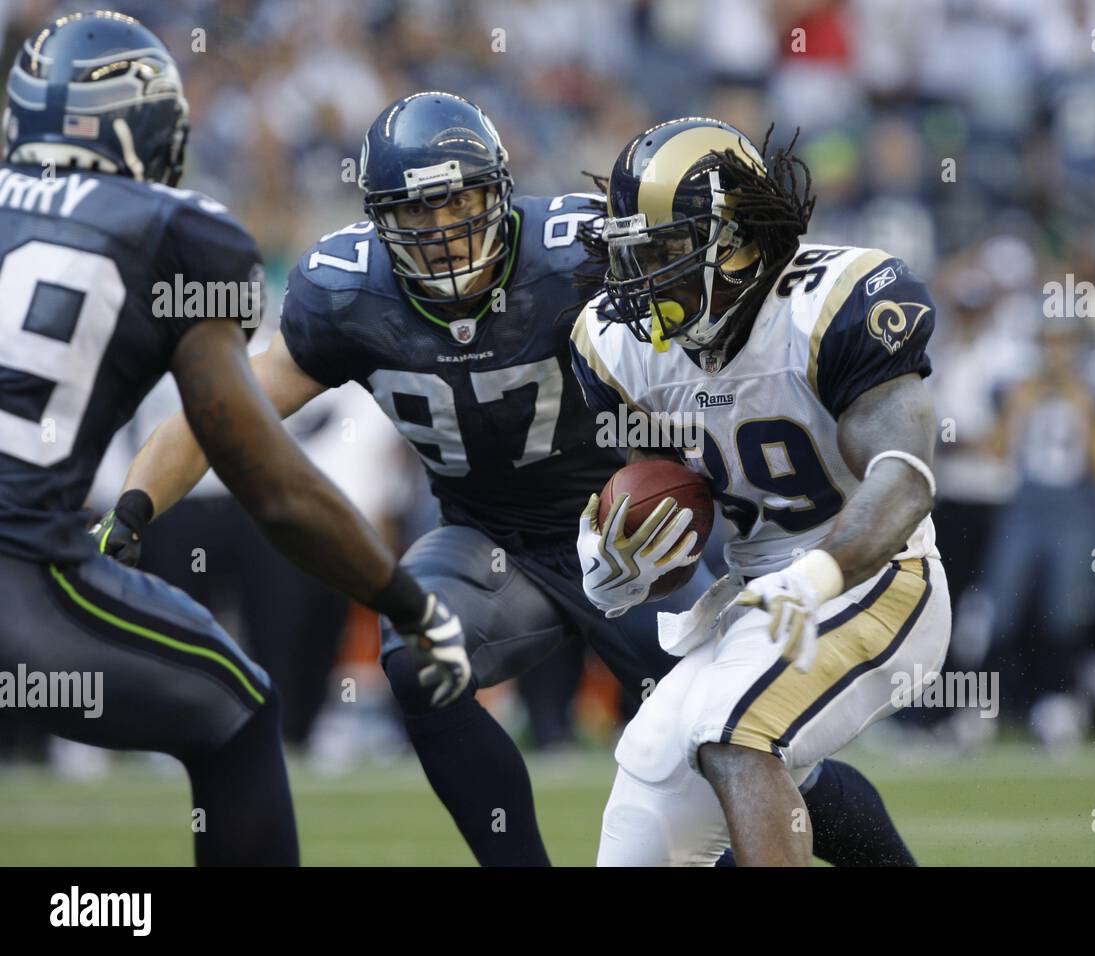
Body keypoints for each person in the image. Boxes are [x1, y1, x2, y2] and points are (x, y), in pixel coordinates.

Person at [113, 93, 916, 867]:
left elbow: (727, 336)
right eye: (413, 213)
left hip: (637, 536)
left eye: (457, 202)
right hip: (485, 544)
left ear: (501, 190)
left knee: (739, 740)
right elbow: (227, 412)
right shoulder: (345, 294)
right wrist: (131, 509)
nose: (441, 232)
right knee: (418, 658)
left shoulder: (583, 255)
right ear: (376, 220)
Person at [0, 12, 467, 866]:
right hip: (19, 572)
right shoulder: (173, 230)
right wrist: (409, 603)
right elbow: (273, 486)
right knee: (240, 706)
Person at [571, 118, 951, 865]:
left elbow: (905, 479)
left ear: (738, 239)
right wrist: (614, 561)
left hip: (879, 574)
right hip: (756, 593)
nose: (645, 281)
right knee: (648, 782)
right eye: (633, 254)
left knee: (732, 729)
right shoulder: (618, 348)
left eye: (667, 251)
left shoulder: (835, 304)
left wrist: (816, 577)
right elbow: (658, 489)